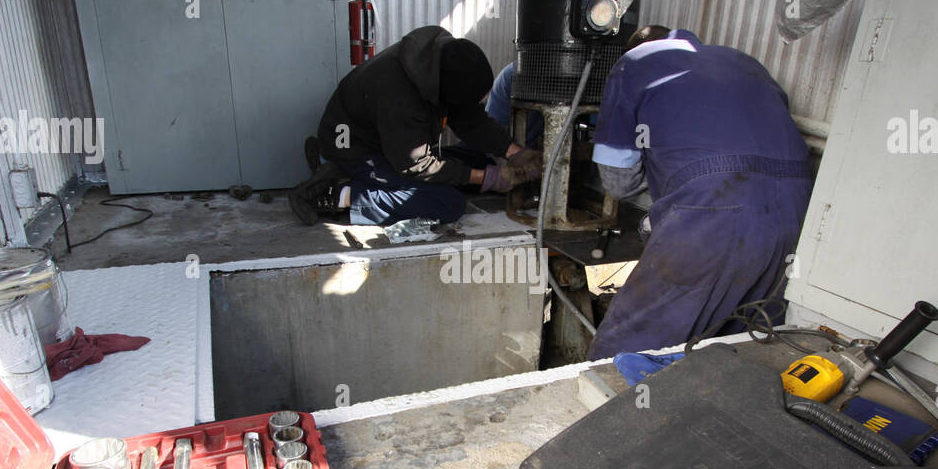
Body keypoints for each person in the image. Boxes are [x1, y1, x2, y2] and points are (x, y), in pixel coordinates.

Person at [587, 25, 814, 358]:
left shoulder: (633, 62)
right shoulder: (745, 62)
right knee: (743, 347)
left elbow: (618, 183)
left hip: (715, 212)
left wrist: (668, 170)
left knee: (625, 353)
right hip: (799, 211)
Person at [290, 26, 541, 226]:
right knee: (446, 202)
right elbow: (415, 165)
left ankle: (337, 170)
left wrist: (514, 152)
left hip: (388, 141)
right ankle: (337, 193)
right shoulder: (398, 96)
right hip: (356, 149)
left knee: (474, 160)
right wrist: (486, 178)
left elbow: (470, 119)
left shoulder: (439, 63)